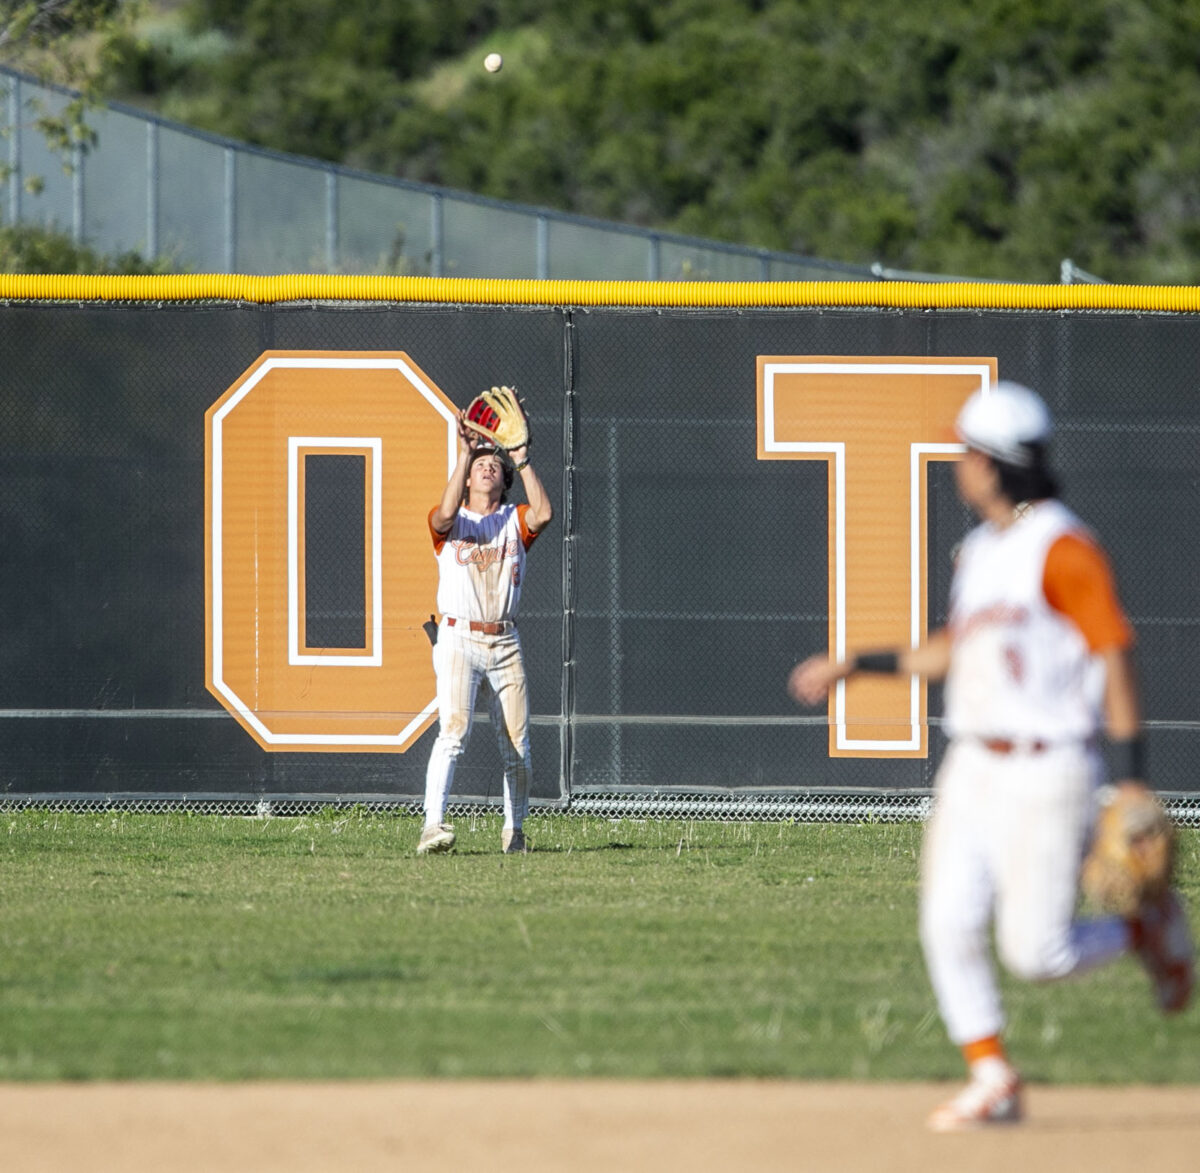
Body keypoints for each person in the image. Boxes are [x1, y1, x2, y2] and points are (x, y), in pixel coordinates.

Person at [788, 381, 1194, 1131]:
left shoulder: (1063, 546)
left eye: (968, 451)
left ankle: (1146, 929)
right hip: (971, 760)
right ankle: (993, 1075)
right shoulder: (979, 549)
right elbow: (956, 649)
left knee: (1037, 952)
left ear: (999, 462)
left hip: (1052, 764)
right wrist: (857, 663)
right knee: (946, 921)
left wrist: (1132, 772)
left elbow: (1113, 653)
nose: (959, 464)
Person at [418, 400, 553, 856]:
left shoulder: (513, 520)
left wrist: (522, 457)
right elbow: (440, 516)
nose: (487, 469)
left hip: (505, 639)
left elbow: (545, 514)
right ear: (469, 477)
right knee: (453, 733)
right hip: (458, 636)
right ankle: (432, 826)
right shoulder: (452, 521)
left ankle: (514, 832)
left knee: (517, 742)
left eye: (494, 465)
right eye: (481, 465)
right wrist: (464, 453)